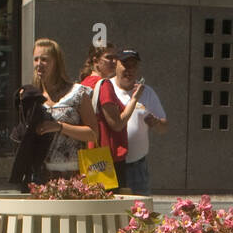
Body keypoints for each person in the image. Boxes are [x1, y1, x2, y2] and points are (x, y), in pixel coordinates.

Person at [29, 38, 98, 179]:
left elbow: (93, 134)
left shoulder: (78, 93)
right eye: (36, 59)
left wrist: (60, 126)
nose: (39, 64)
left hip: (74, 174)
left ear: (56, 63)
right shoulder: (32, 96)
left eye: (44, 60)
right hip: (40, 175)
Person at [79, 44, 140, 187]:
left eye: (115, 58)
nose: (114, 62)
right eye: (108, 58)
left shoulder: (84, 83)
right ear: (95, 61)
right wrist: (135, 99)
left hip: (89, 156)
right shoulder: (104, 85)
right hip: (108, 159)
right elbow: (117, 124)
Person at [111, 48, 167, 195]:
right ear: (116, 64)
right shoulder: (106, 88)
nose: (129, 70)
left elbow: (164, 127)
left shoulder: (146, 92)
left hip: (137, 167)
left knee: (140, 214)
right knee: (111, 215)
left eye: (133, 66)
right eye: (125, 65)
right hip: (110, 167)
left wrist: (156, 123)